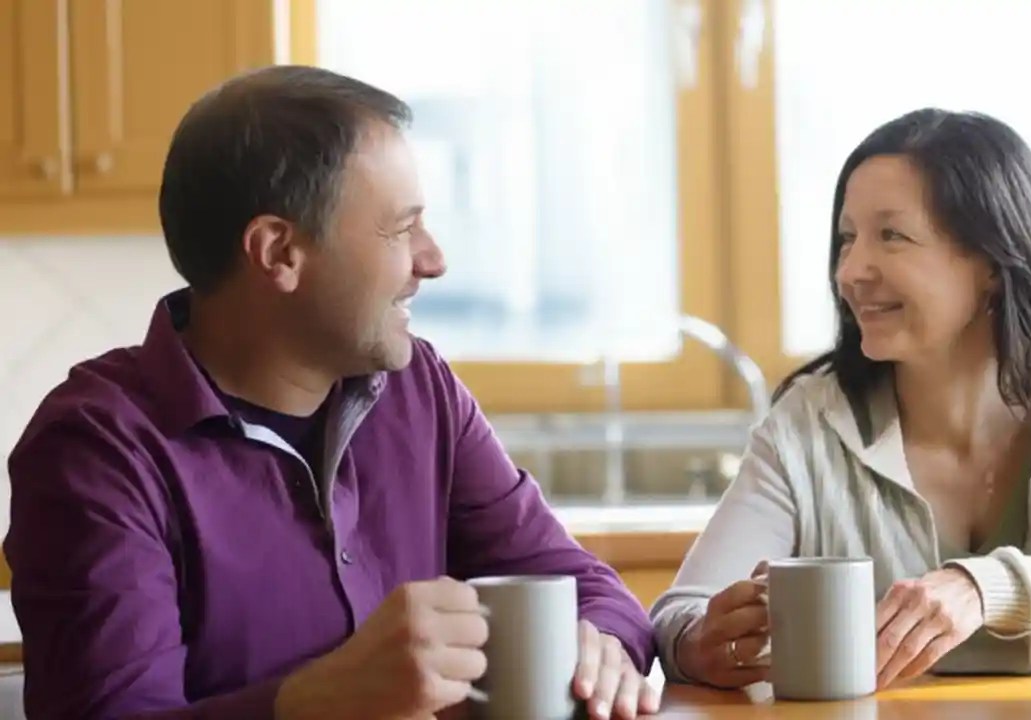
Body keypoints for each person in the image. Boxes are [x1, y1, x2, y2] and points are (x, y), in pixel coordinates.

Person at [5, 65, 658, 720]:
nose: (433, 260)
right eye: (401, 229)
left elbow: (590, 591)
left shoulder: (420, 390)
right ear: (278, 252)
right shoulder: (96, 449)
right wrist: (314, 702)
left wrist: (599, 645)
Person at [650, 108, 1031, 690]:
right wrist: (701, 644)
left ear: (992, 263)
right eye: (847, 239)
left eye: (891, 236)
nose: (850, 271)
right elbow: (680, 615)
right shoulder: (810, 422)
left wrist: (990, 586)